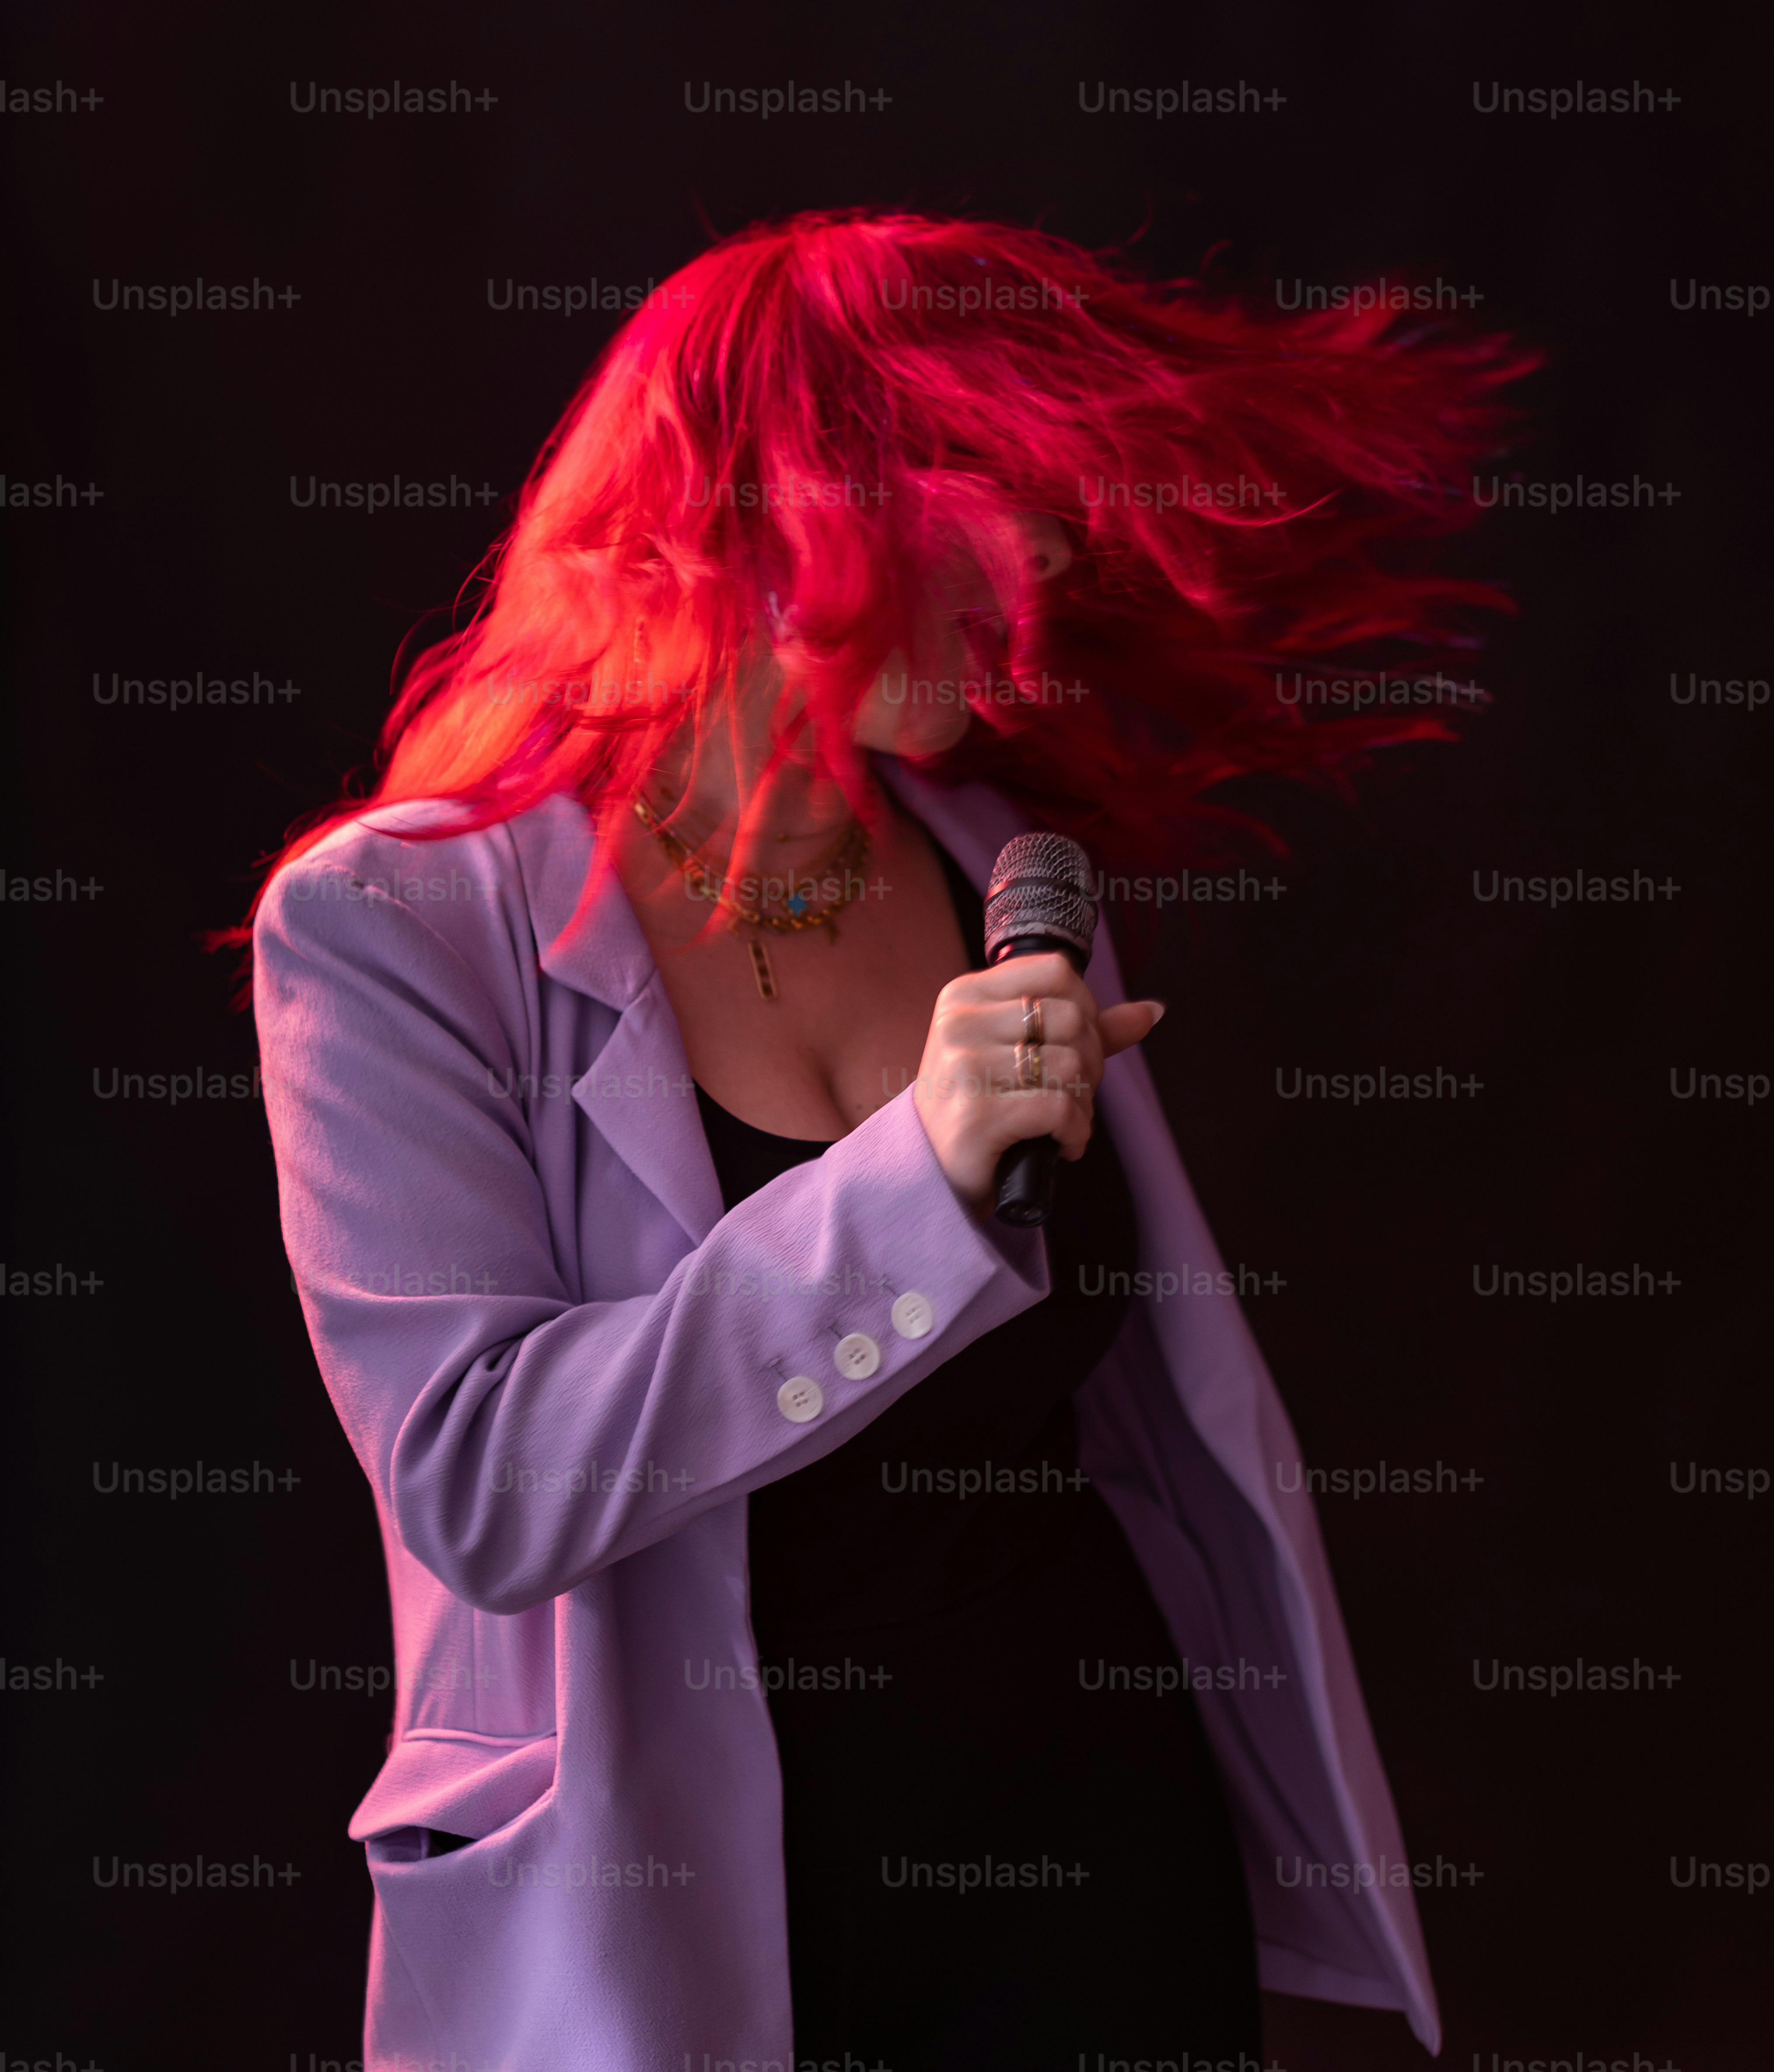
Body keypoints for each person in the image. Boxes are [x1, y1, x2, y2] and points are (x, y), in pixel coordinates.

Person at [252, 207, 1525, 2070]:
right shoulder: (394, 927)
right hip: (669, 1899)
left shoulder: (992, 850)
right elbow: (484, 1480)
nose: (1037, 551)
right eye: (977, 490)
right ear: (759, 510)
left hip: (1092, 1850)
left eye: (1044, 497)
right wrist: (913, 1177)